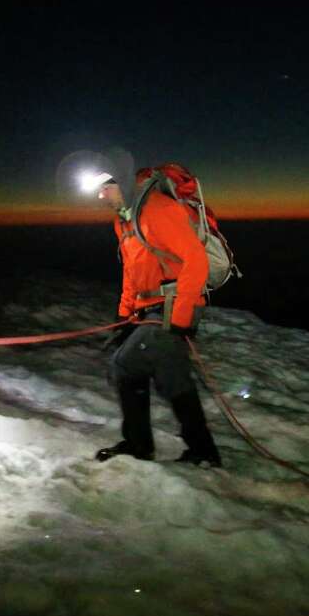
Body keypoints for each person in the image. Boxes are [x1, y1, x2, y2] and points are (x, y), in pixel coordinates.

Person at [86, 169, 223, 467]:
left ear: (119, 183)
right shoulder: (123, 220)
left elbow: (195, 260)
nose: (100, 196)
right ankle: (202, 452)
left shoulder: (158, 209)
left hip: (175, 305)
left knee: (126, 366)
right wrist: (125, 317)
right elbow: (132, 272)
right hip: (152, 309)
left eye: (104, 189)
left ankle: (143, 447)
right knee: (170, 376)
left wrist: (181, 315)